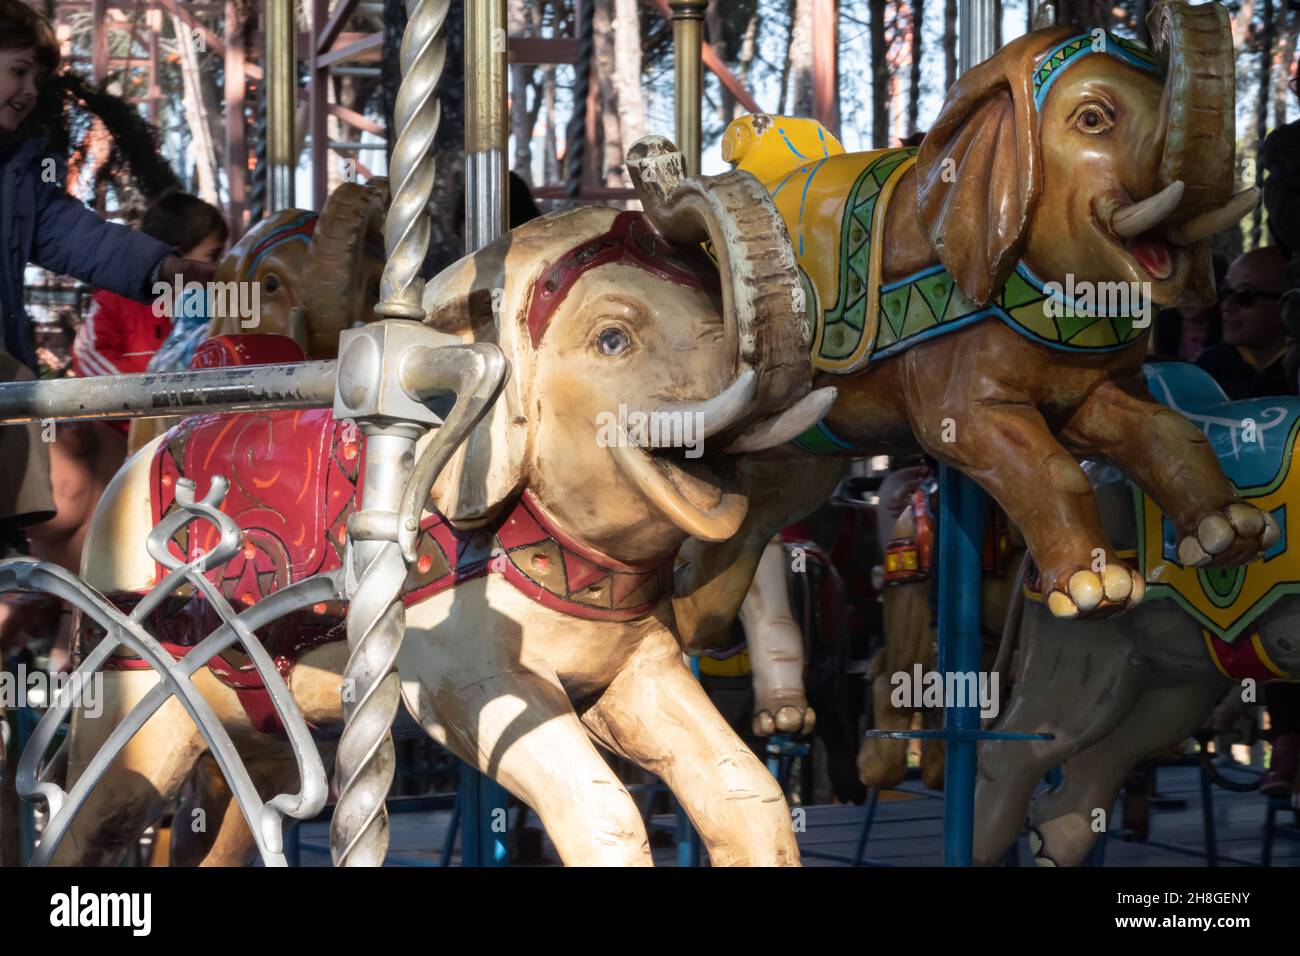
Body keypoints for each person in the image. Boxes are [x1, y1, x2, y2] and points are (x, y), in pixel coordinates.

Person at [0, 0, 215, 537]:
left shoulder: (19, 174)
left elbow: (72, 234)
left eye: (36, 77)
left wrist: (161, 267)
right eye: (17, 71)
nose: (29, 90)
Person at [72, 193, 227, 382]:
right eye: (212, 256)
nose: (218, 267)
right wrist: (147, 388)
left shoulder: (214, 306)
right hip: (140, 406)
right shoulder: (115, 299)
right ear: (178, 258)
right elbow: (88, 356)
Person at [1193, 247, 1291, 400]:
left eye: (1244, 295)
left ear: (1287, 304)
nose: (1226, 306)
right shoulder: (1205, 369)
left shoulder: (1294, 375)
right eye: (1224, 292)